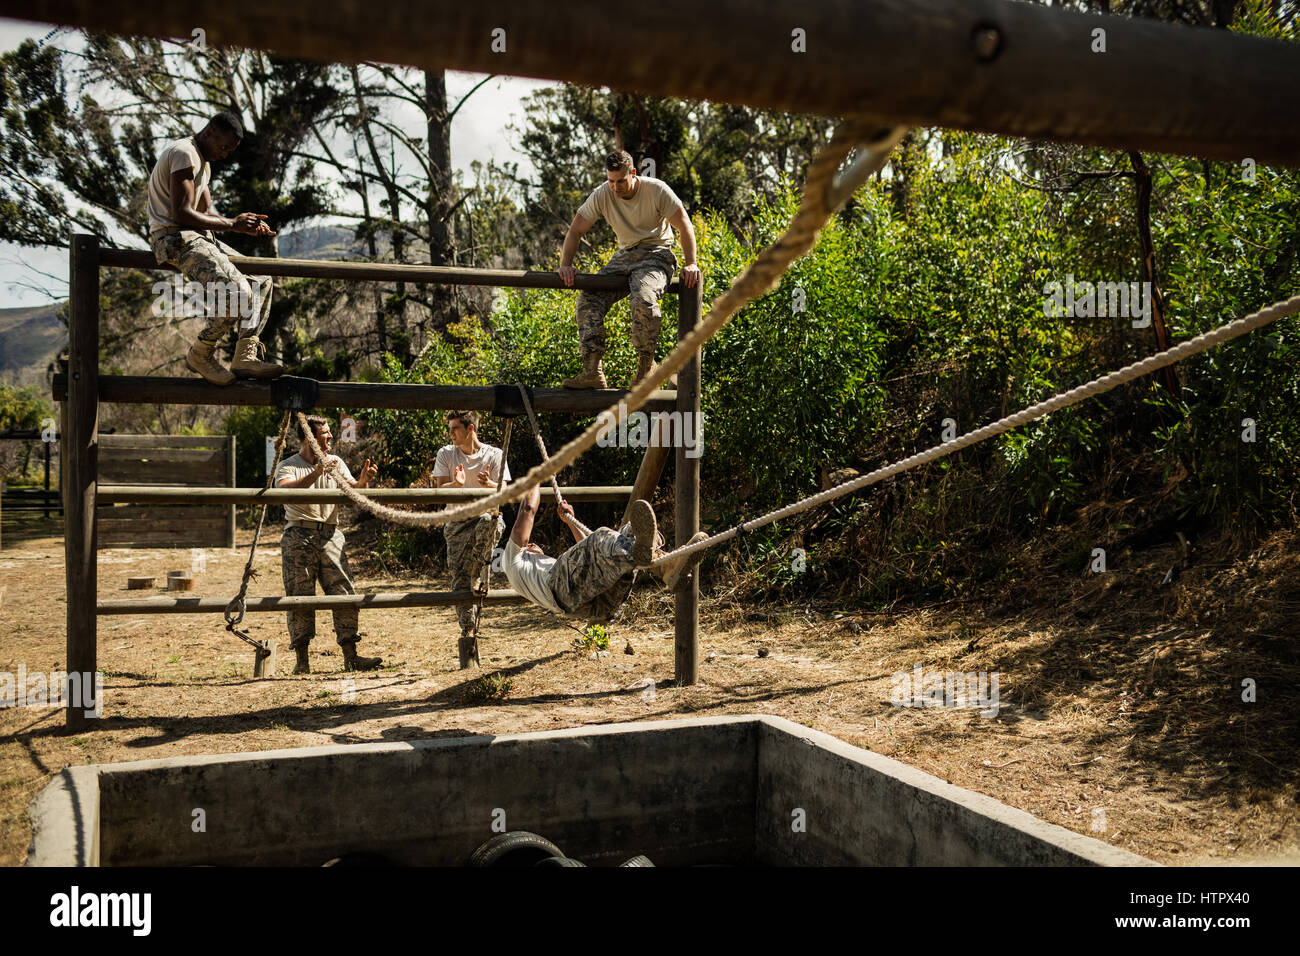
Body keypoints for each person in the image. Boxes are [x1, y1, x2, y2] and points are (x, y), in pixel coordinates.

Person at [148, 111, 283, 386]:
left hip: (198, 237)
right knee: (238, 291)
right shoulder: (184, 153)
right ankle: (201, 352)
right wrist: (233, 224)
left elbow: (205, 212)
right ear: (209, 132)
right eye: (223, 147)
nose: (225, 155)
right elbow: (182, 213)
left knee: (262, 280)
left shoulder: (203, 164)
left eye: (230, 151)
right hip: (173, 238)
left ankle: (245, 356)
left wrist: (244, 225)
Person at [556, 149, 701, 390]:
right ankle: (592, 371)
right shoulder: (603, 194)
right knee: (588, 298)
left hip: (657, 254)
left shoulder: (656, 190)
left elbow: (684, 224)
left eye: (621, 181)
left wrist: (691, 263)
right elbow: (576, 230)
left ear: (633, 173)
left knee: (643, 299)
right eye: (611, 181)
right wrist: (566, 265)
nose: (615, 187)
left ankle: (647, 367)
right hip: (625, 256)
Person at [502, 485, 708, 624]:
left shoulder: (535, 572)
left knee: (629, 532)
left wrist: (570, 521)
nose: (533, 544)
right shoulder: (513, 560)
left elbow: (590, 557)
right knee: (603, 535)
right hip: (560, 593)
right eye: (529, 544)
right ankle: (664, 566)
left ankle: (667, 568)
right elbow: (527, 509)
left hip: (595, 606)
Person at [274, 415, 382, 674]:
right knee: (300, 596)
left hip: (331, 533)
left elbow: (351, 487)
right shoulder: (288, 465)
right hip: (299, 535)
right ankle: (302, 661)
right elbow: (285, 490)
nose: (331, 437)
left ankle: (351, 655)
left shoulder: (337, 462)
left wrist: (364, 480)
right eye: (325, 433)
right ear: (309, 438)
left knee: (344, 591)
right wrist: (317, 473)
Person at [431, 410, 511, 668]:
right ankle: (469, 636)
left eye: (455, 428)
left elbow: (506, 491)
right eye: (450, 429)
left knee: (491, 521)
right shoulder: (446, 453)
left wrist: (488, 484)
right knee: (460, 582)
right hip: (456, 523)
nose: (451, 433)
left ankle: (479, 568)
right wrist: (456, 484)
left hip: (485, 518)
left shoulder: (495, 454)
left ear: (471, 429)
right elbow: (436, 489)